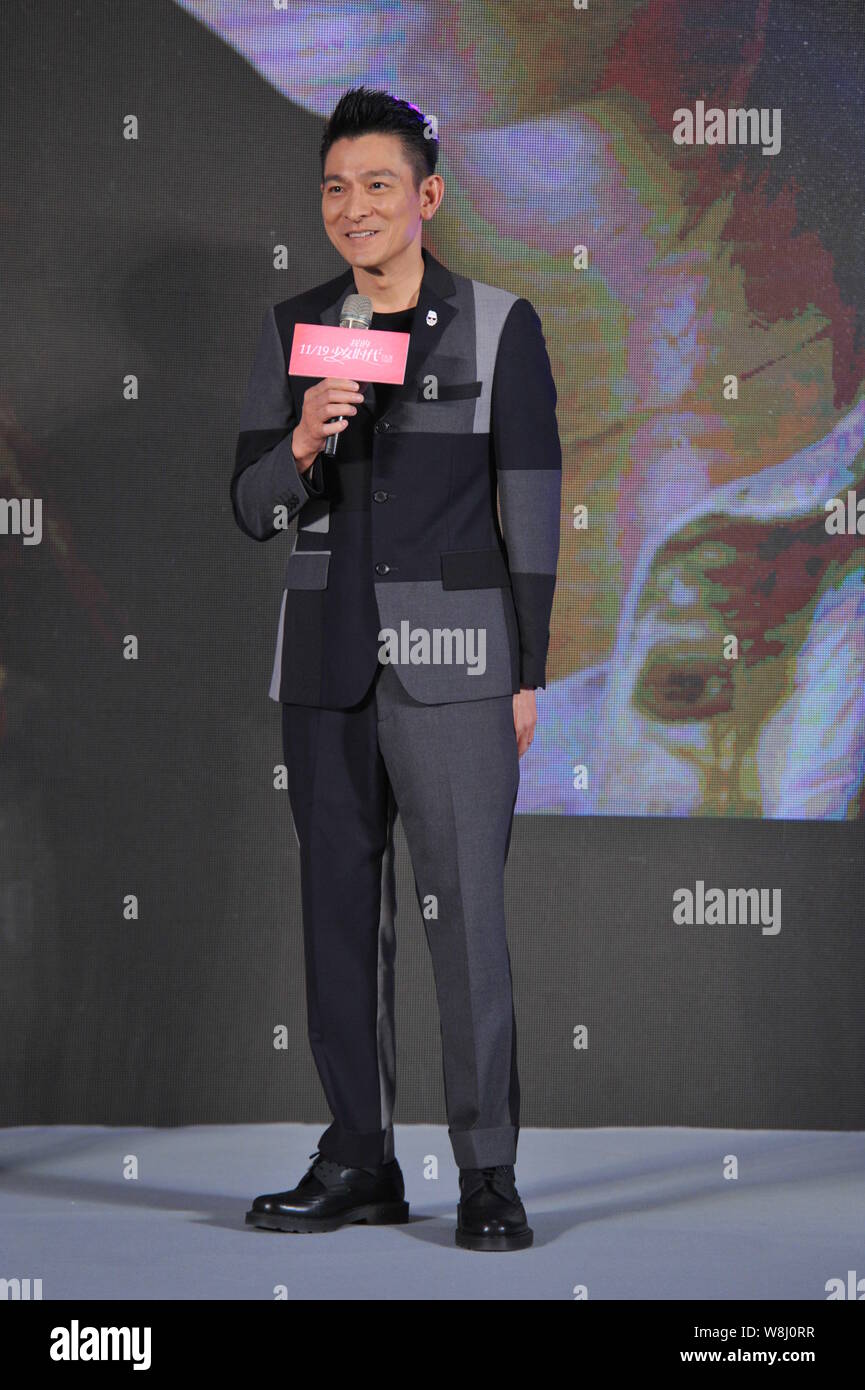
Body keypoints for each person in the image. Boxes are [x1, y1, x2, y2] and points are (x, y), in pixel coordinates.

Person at [232, 86, 561, 1252]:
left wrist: (525, 671)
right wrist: (302, 444)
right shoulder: (296, 330)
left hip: (460, 670)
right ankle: (358, 1158)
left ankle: (486, 1173)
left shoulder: (498, 323)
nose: (353, 206)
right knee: (336, 918)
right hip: (323, 671)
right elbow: (249, 504)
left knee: (466, 919)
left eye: (378, 184)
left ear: (425, 197)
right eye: (335, 186)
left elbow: (532, 509)